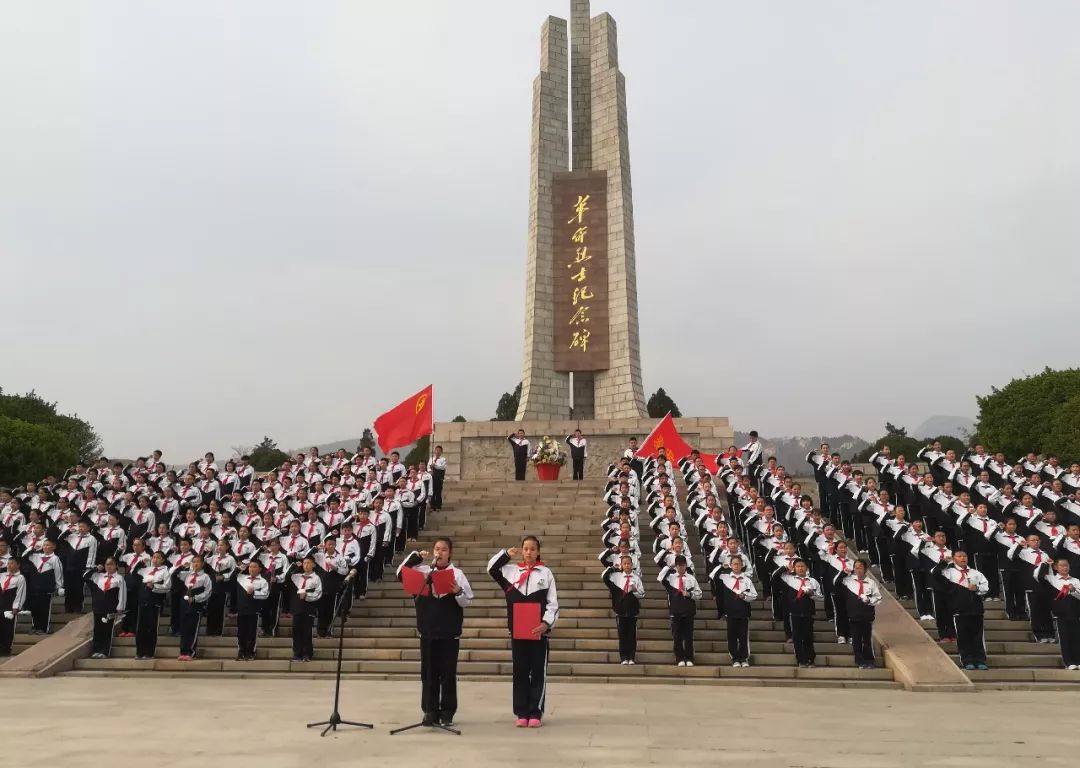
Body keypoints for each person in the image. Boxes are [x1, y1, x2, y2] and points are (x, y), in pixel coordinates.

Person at [397, 538, 474, 726]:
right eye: (437, 549)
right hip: (428, 630)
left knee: (447, 673)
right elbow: (401, 574)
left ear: (450, 553)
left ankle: (447, 712)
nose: (440, 553)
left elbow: (467, 600)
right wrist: (415, 558)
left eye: (444, 550)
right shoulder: (423, 570)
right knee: (429, 673)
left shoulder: (457, 573)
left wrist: (457, 591)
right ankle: (429, 710)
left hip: (449, 632)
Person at [487, 536, 558, 728]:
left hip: (538, 632)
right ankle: (521, 712)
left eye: (532, 549)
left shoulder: (546, 573)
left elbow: (553, 604)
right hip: (517, 631)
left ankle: (535, 711)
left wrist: (546, 623)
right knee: (519, 671)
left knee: (537, 671)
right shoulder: (511, 571)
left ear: (538, 551)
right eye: (525, 548)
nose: (528, 552)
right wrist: (504, 555)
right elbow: (491, 569)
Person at [934, 549, 990, 669]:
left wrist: (977, 588)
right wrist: (943, 562)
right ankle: (967, 660)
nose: (963, 558)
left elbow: (985, 586)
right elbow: (935, 574)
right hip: (959, 609)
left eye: (964, 555)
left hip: (976, 609)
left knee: (978, 636)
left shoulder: (975, 572)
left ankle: (980, 660)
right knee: (963, 636)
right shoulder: (949, 572)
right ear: (954, 558)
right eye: (959, 556)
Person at [710, 554, 756, 667]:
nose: (736, 566)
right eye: (734, 564)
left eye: (738, 564)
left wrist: (744, 596)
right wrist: (722, 567)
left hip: (743, 612)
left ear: (742, 565)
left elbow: (754, 595)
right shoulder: (725, 577)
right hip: (730, 612)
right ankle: (735, 658)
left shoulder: (746, 580)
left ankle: (744, 658)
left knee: (743, 636)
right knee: (732, 636)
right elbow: (712, 576)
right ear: (730, 565)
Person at [776, 558, 822, 667]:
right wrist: (785, 568)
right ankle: (801, 660)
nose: (800, 568)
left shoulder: (812, 581)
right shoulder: (789, 579)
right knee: (797, 638)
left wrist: (811, 594)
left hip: (808, 613)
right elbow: (775, 576)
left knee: (808, 637)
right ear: (794, 568)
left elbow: (821, 597)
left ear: (806, 568)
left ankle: (810, 659)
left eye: (802, 566)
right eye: (798, 566)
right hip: (794, 613)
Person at [837, 559, 882, 669]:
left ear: (865, 569)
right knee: (856, 639)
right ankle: (860, 660)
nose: (857, 570)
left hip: (867, 616)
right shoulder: (848, 580)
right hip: (854, 615)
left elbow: (878, 598)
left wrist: (869, 600)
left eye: (860, 567)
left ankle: (870, 660)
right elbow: (836, 583)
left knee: (867, 639)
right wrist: (843, 573)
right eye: (855, 567)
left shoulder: (871, 582)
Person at [658, 555, 701, 667]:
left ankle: (689, 657)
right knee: (677, 636)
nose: (681, 567)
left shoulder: (691, 578)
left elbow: (699, 594)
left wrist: (690, 594)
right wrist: (668, 567)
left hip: (688, 611)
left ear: (686, 565)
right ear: (676, 566)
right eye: (679, 565)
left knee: (688, 636)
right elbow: (660, 578)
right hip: (675, 611)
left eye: (683, 565)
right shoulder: (671, 578)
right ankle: (679, 658)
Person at [602, 554, 644, 664]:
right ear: (621, 565)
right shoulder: (616, 577)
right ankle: (624, 657)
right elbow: (605, 578)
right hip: (620, 610)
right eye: (624, 564)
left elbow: (642, 593)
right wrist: (612, 568)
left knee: (631, 635)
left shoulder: (636, 578)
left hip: (633, 611)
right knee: (622, 635)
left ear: (632, 565)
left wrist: (634, 590)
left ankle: (631, 657)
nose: (627, 565)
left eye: (628, 563)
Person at [1041, 558, 1080, 669]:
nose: (1065, 567)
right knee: (1065, 638)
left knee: (1076, 638)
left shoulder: (1076, 580)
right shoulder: (1052, 579)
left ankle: (1078, 661)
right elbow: (1037, 576)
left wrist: (1073, 591)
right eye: (1062, 565)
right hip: (1060, 614)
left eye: (1066, 565)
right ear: (1056, 567)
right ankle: (1068, 662)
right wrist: (1045, 564)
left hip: (1075, 613)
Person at [86, 557, 126, 659]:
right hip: (98, 606)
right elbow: (84, 577)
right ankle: (96, 650)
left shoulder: (119, 578)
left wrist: (120, 607)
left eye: (111, 564)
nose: (109, 566)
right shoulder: (98, 576)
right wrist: (95, 569)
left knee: (107, 630)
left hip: (110, 607)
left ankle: (104, 651)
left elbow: (122, 594)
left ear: (116, 566)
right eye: (107, 564)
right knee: (97, 629)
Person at [176, 554, 213, 661]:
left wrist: (196, 598)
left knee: (192, 629)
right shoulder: (187, 575)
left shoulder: (205, 577)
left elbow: (208, 592)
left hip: (196, 605)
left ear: (202, 564)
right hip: (185, 604)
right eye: (193, 562)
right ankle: (183, 651)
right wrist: (182, 567)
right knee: (184, 628)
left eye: (197, 562)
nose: (195, 564)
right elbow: (174, 574)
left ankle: (190, 652)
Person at [136, 551, 170, 660]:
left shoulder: (165, 571)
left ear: (162, 560)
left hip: (154, 601)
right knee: (141, 627)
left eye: (158, 558)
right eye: (154, 557)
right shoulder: (146, 569)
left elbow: (167, 587)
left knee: (151, 627)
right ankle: (140, 651)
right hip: (143, 601)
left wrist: (154, 586)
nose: (155, 559)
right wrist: (140, 563)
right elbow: (134, 571)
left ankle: (149, 652)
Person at [24, 540, 64, 634]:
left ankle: (43, 628)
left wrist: (59, 586)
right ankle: (35, 626)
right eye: (44, 545)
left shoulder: (55, 558)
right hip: (35, 586)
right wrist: (32, 549)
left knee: (44, 609)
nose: (45, 547)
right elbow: (24, 556)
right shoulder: (37, 556)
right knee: (34, 608)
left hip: (46, 587)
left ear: (53, 547)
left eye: (48, 545)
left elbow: (58, 573)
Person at [235, 559, 270, 661]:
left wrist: (254, 592)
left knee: (251, 632)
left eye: (254, 567)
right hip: (242, 609)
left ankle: (250, 652)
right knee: (241, 632)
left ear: (259, 569)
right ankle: (241, 652)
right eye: (250, 567)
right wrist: (241, 568)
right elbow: (233, 576)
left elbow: (265, 594)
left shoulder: (263, 581)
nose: (252, 569)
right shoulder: (242, 578)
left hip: (254, 610)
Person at [290, 554, 323, 662]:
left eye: (308, 563)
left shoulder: (316, 578)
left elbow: (318, 593)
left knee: (307, 631)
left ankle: (307, 653)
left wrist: (307, 596)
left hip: (309, 607)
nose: (306, 565)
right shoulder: (297, 577)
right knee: (296, 630)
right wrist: (296, 566)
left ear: (313, 565)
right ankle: (297, 653)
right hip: (297, 607)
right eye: (304, 563)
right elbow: (287, 575)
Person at [0, 557, 27, 657]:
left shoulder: (20, 578)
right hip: (1, 603)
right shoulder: (2, 576)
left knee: (8, 628)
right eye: (8, 563)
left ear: (18, 565)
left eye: (12, 563)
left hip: (10, 605)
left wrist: (15, 608)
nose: (9, 565)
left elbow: (20, 594)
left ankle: (6, 648)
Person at [429, 446, 448, 512]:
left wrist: (435, 466)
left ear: (441, 452)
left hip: (439, 476)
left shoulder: (443, 459)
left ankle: (438, 505)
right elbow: (428, 466)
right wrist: (430, 471)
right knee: (432, 491)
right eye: (436, 450)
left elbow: (443, 467)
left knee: (438, 491)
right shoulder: (431, 458)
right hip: (432, 476)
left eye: (439, 450)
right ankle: (432, 505)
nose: (437, 451)